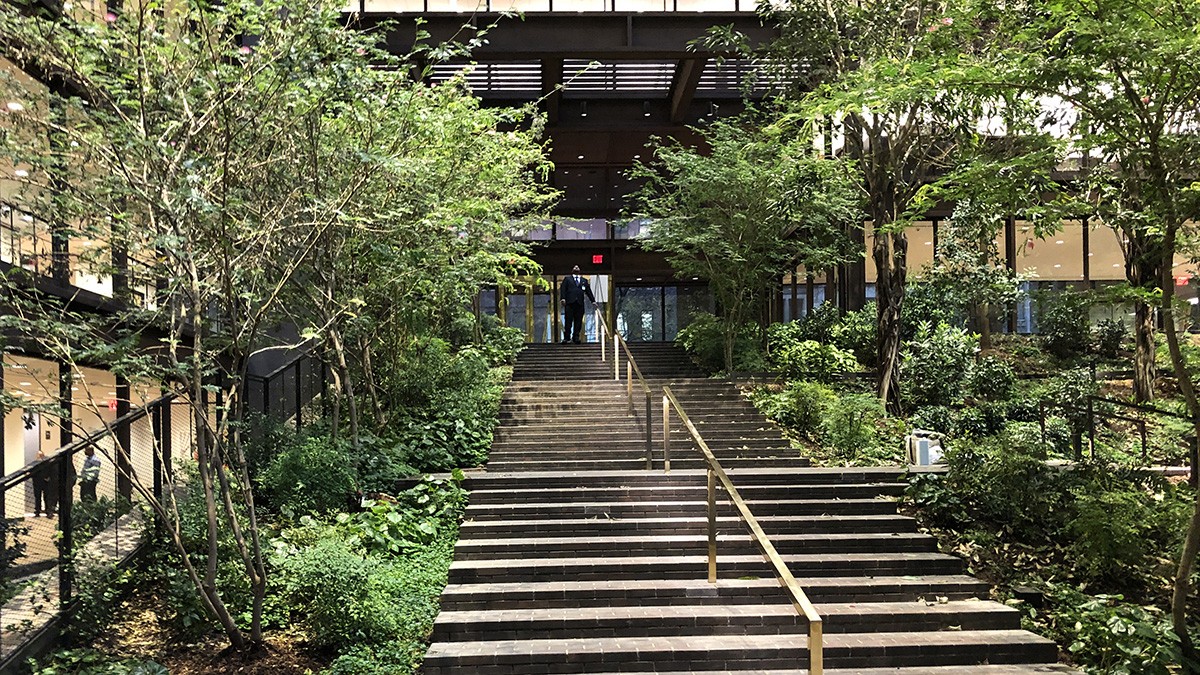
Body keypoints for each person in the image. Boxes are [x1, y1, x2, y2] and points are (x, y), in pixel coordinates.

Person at [560, 265, 596, 344]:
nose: (576, 268)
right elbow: (563, 289)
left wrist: (593, 301)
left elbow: (588, 291)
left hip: (579, 303)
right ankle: (567, 337)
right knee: (568, 320)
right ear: (572, 270)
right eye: (574, 267)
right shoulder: (567, 279)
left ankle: (576, 337)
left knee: (578, 321)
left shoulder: (584, 281)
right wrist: (563, 298)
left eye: (578, 267)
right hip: (570, 303)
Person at [31, 450, 54, 517]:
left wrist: (48, 477)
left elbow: (51, 472)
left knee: (46, 497)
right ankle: (38, 511)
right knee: (37, 497)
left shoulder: (47, 463)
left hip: (45, 482)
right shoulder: (35, 464)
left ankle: (48, 511)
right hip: (37, 482)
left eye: (41, 455)